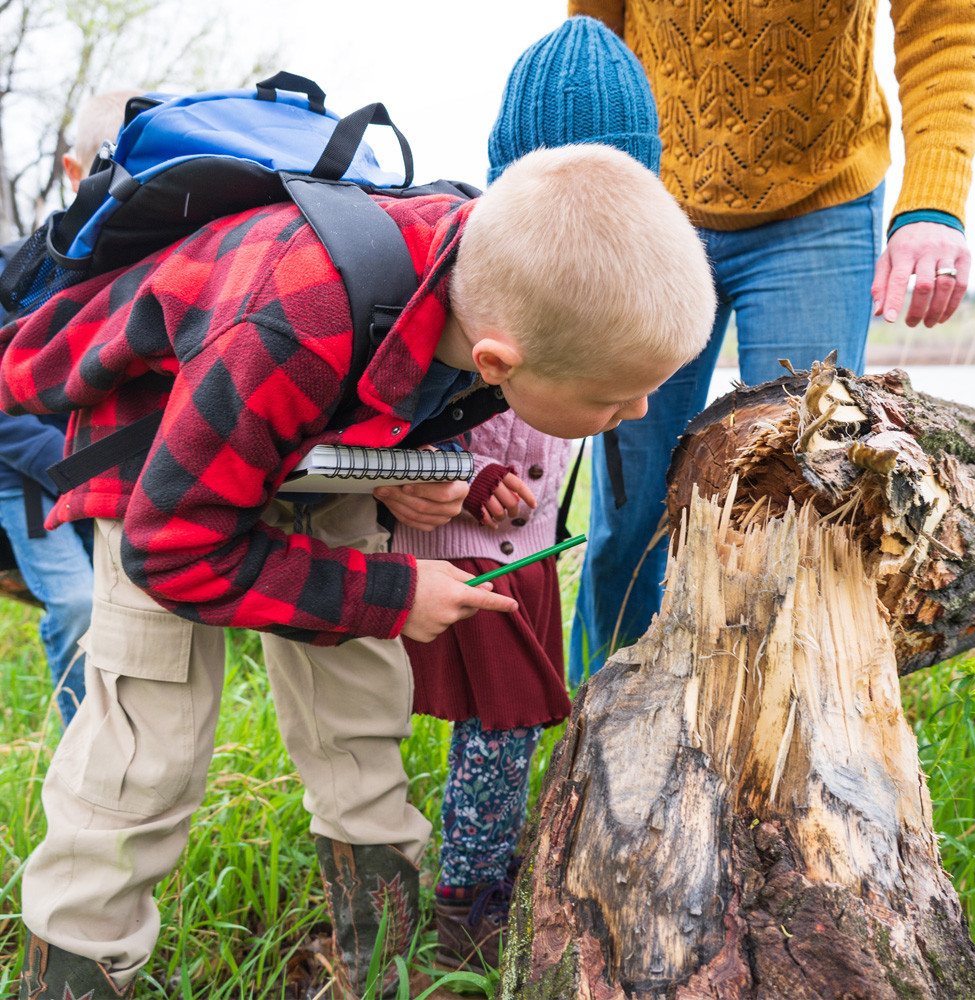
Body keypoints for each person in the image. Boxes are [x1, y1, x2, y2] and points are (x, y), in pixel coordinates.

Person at [2, 141, 716, 999]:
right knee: (148, 743)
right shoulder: (290, 324)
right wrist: (393, 592)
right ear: (497, 361)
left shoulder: (486, 279)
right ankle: (76, 967)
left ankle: (378, 964)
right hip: (169, 460)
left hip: (310, 438)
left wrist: (406, 477)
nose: (635, 412)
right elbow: (172, 550)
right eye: (614, 399)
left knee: (358, 709)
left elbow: (386, 398)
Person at [566, 0, 975, 681]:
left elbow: (941, 20)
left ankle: (776, 744)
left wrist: (933, 202)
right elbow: (595, 33)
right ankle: (598, 730)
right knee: (629, 516)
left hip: (820, 205)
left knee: (803, 509)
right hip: (655, 198)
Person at [391, 15, 665, 975]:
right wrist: (465, 478)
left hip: (528, 549)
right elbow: (411, 406)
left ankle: (479, 887)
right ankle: (446, 901)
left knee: (505, 733)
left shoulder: (618, 281)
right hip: (446, 551)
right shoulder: (474, 260)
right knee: (426, 716)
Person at [0, 89, 140, 725]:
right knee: (78, 601)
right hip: (31, 474)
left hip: (103, 470)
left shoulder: (144, 270)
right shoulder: (19, 271)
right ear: (73, 171)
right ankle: (81, 739)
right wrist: (80, 466)